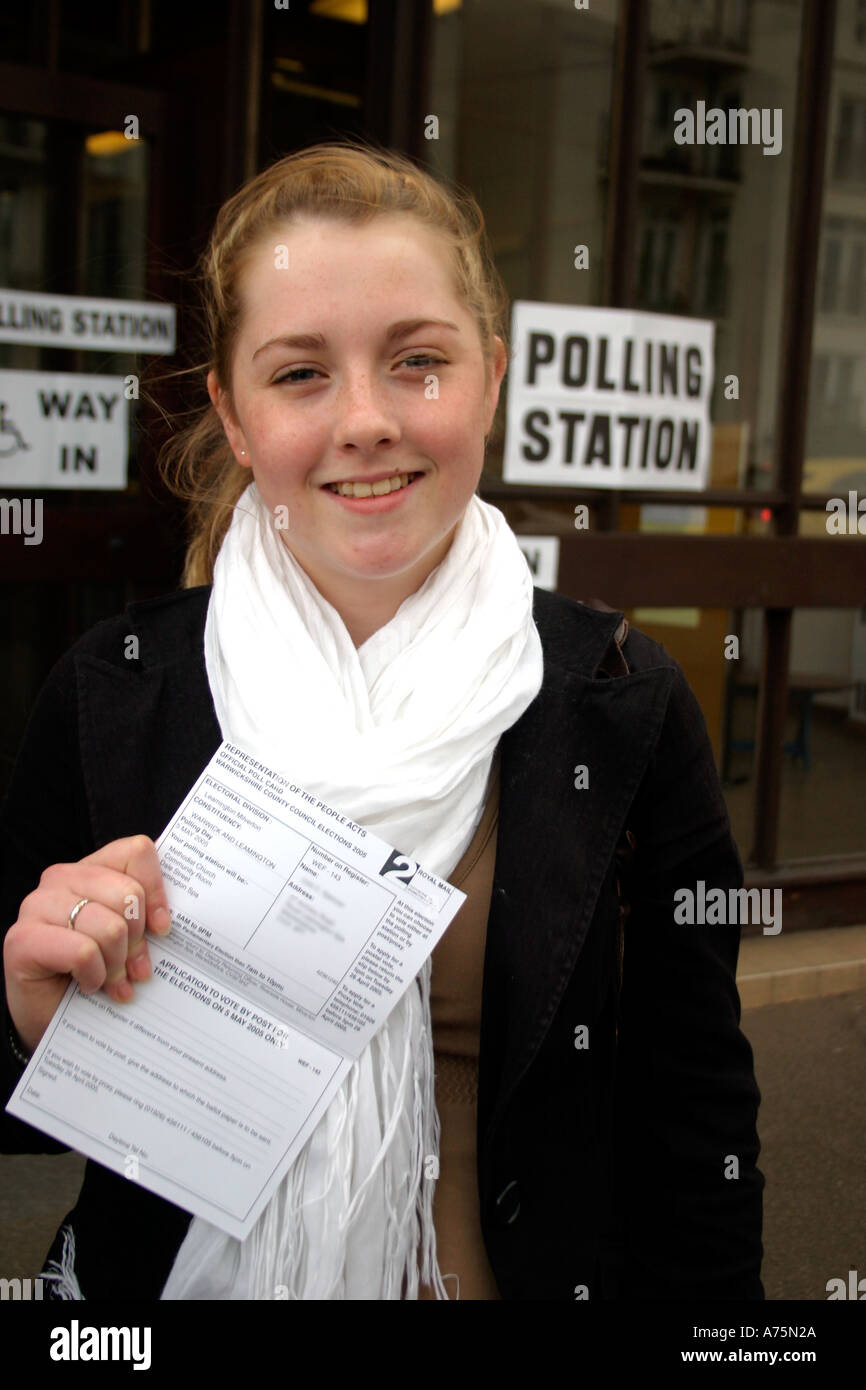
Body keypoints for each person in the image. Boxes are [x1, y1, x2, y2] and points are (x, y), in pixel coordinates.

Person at [0, 138, 764, 1301]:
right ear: (233, 413)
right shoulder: (119, 685)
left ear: (489, 380)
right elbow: (24, 1116)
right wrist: (24, 1016)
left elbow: (692, 1111)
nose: (364, 419)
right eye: (300, 373)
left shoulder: (619, 698)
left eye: (416, 362)